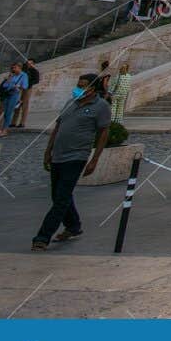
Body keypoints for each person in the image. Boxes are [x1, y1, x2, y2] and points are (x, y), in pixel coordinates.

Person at [31, 73, 112, 251]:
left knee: (61, 198)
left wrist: (94, 159)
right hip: (58, 154)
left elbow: (104, 133)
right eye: (78, 84)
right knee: (59, 195)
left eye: (83, 85)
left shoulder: (101, 106)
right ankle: (74, 225)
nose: (78, 88)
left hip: (77, 156)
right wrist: (48, 150)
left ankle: (43, 237)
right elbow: (58, 126)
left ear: (92, 88)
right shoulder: (71, 103)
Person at [0, 62, 28, 136]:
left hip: (14, 94)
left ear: (19, 67)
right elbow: (5, 85)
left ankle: (5, 130)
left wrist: (18, 87)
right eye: (12, 68)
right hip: (6, 94)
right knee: (4, 112)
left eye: (15, 67)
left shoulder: (23, 75)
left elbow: (25, 86)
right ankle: (0, 129)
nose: (13, 69)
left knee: (8, 112)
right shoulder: (12, 75)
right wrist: (8, 79)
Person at [14, 58, 41, 128]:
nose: (29, 64)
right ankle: (13, 122)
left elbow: (36, 80)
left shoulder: (34, 71)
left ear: (33, 64)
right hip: (19, 88)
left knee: (25, 105)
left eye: (31, 63)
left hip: (27, 88)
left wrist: (28, 83)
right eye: (28, 62)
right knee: (17, 104)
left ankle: (22, 122)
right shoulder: (23, 69)